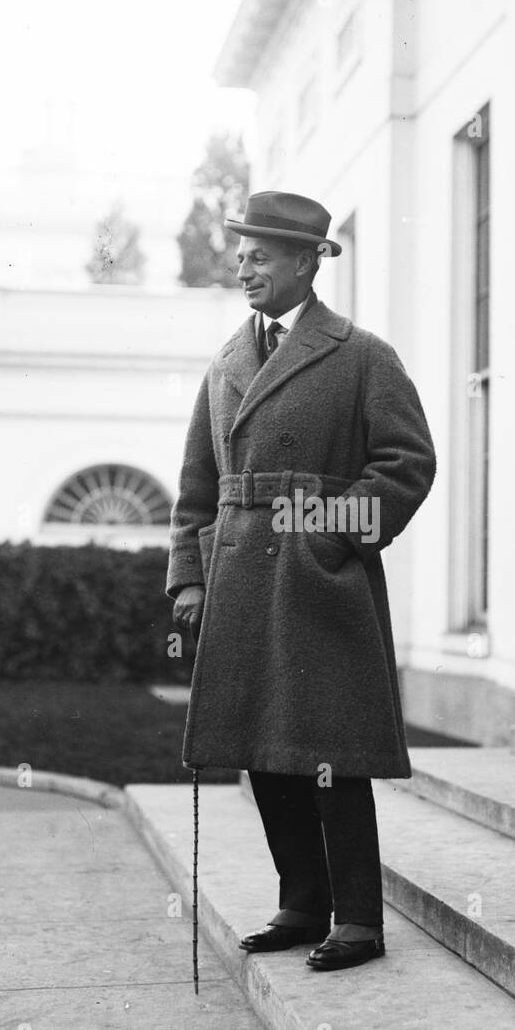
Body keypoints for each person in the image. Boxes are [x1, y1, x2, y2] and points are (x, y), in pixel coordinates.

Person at [168, 190, 436, 971]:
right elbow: (195, 482)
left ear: (305, 261)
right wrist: (189, 578)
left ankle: (357, 921)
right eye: (240, 254)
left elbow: (405, 464)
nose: (242, 268)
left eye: (258, 256)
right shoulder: (226, 361)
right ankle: (299, 903)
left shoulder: (360, 355)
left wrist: (327, 534)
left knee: (331, 751)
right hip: (240, 585)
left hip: (321, 585)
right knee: (261, 747)